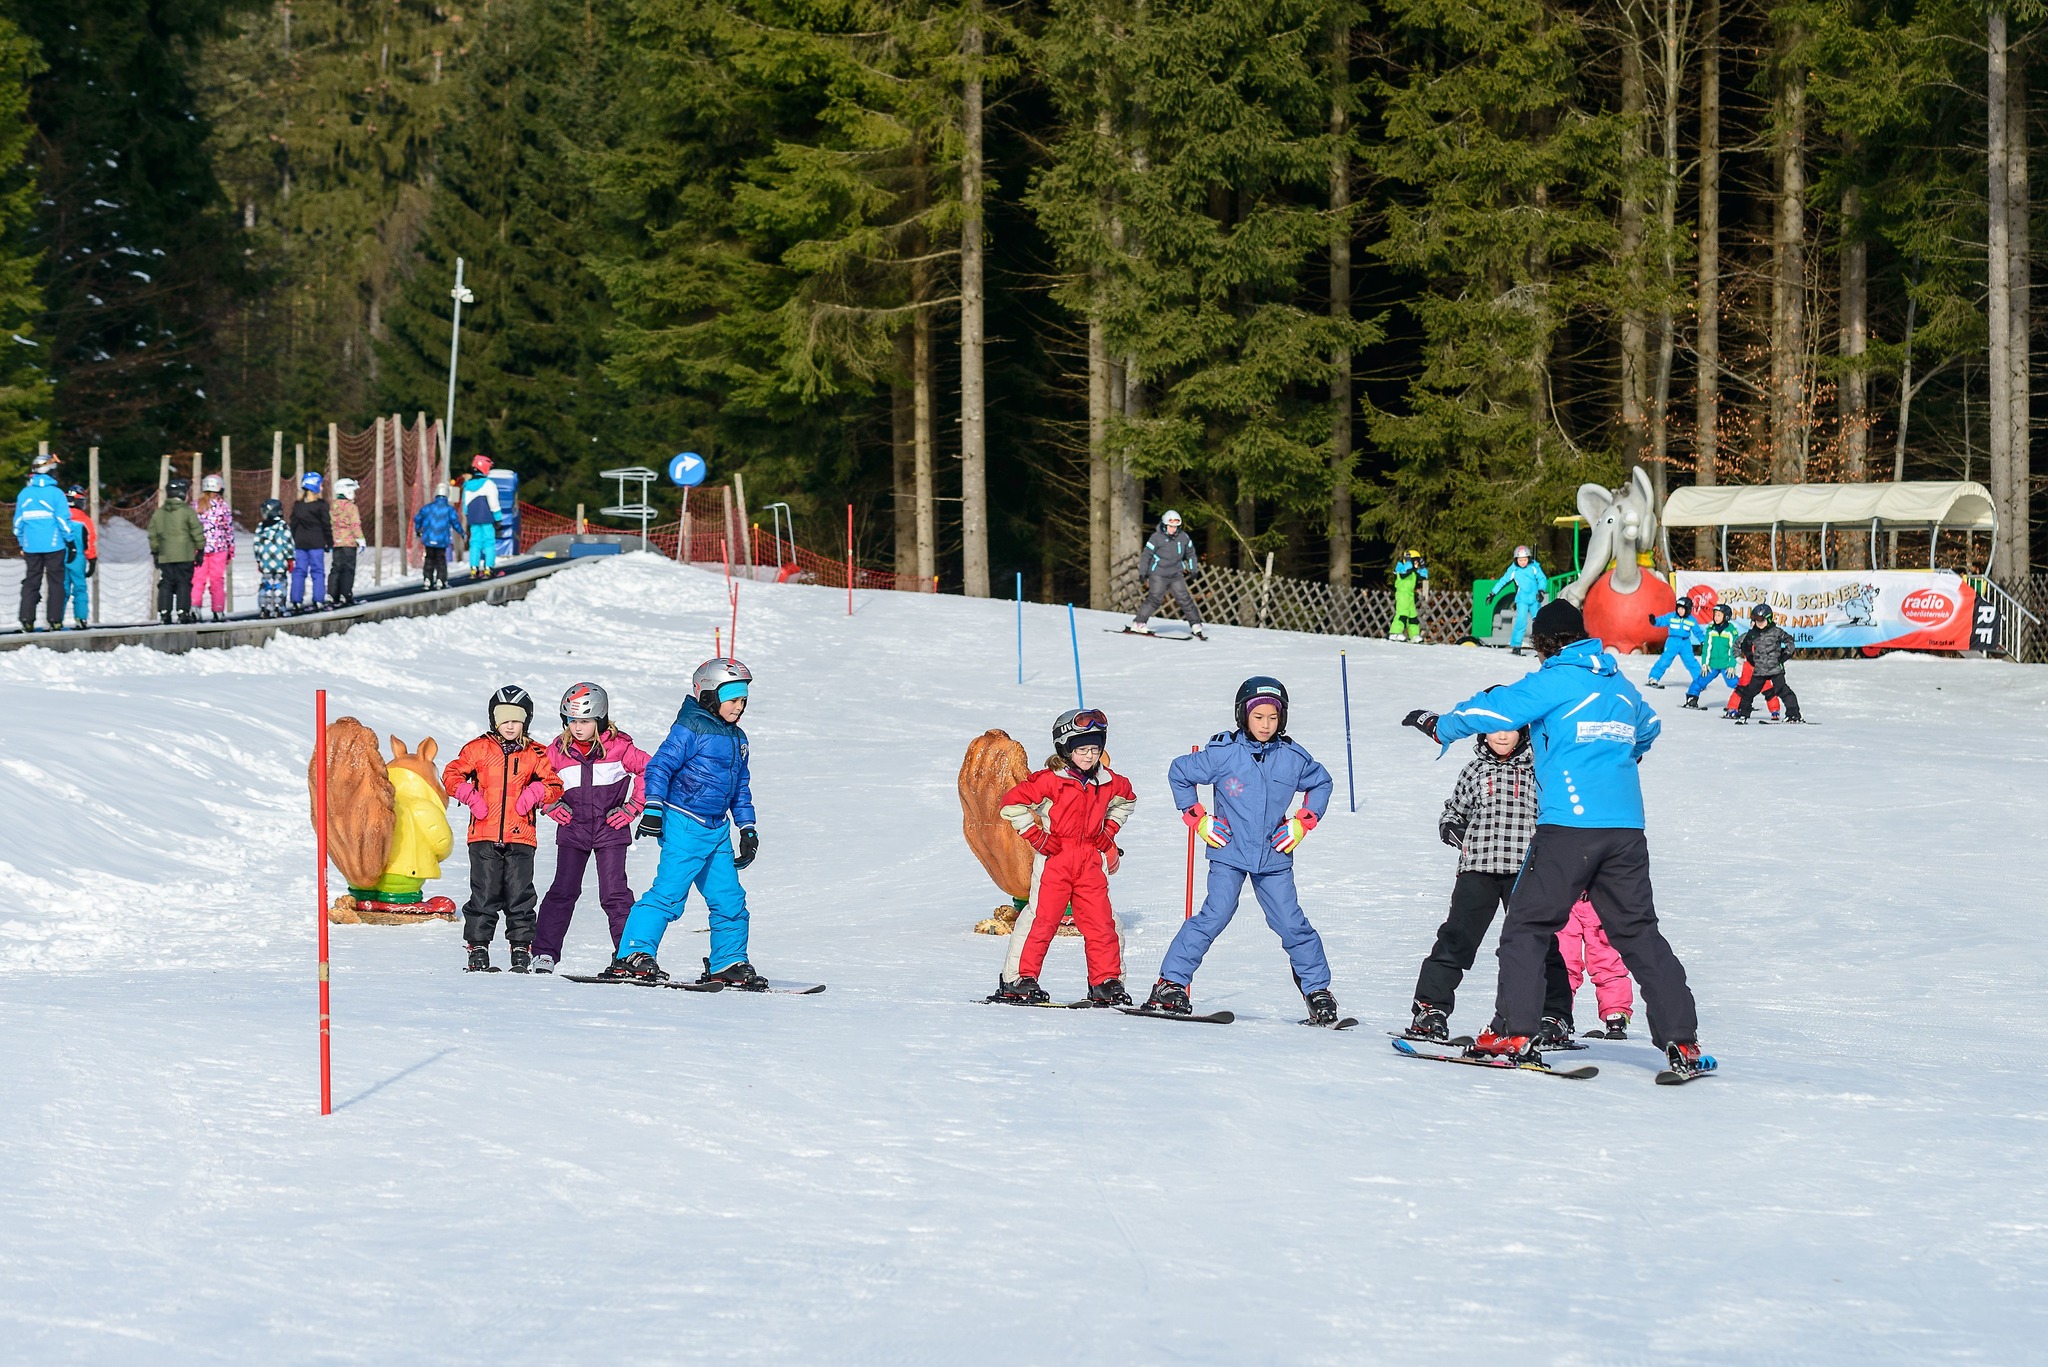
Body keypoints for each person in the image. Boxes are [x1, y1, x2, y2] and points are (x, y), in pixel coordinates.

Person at [1402, 597, 1709, 1078]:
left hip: (1570, 826)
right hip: (1626, 829)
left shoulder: (1555, 679)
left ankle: (1514, 1030)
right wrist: (1621, 755)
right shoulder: (1620, 683)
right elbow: (1649, 726)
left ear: (1544, 643)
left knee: (1526, 925)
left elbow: (1496, 710)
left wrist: (1440, 724)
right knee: (1637, 932)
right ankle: (1682, 1041)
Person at [1145, 677, 1340, 1024]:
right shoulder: (1225, 754)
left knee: (1292, 923)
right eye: (1258, 717)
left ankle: (1317, 991)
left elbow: (1321, 782)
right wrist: (1198, 818)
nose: (1266, 725)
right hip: (1229, 852)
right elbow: (1180, 772)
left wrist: (1303, 821)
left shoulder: (1291, 758)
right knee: (1214, 915)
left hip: (1273, 856)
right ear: (1242, 716)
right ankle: (1170, 984)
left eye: (1273, 718)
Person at [1407, 727, 1579, 1047]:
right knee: (1456, 937)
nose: (1501, 736)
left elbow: (1558, 815)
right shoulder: (1474, 770)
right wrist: (1451, 826)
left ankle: (1554, 1015)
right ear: (1483, 734)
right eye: (1493, 730)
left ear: (1523, 733)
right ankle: (1430, 1009)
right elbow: (1454, 809)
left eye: (1510, 730)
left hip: (1526, 872)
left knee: (1539, 943)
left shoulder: (1540, 769)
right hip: (1478, 869)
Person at [601, 658, 764, 986]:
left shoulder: (738, 738)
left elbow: (739, 787)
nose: (739, 706)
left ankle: (728, 961)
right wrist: (653, 809)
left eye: (743, 699)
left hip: (717, 829)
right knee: (669, 895)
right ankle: (632, 955)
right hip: (685, 822)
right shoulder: (690, 728)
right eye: (732, 698)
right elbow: (659, 767)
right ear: (709, 696)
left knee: (730, 898)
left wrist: (747, 828)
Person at [988, 708, 1138, 1007]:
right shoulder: (1050, 781)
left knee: (1101, 923)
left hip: (1090, 863)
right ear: (1066, 750)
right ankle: (1019, 980)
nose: (1089, 756)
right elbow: (1011, 805)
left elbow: (1127, 801)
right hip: (1056, 859)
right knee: (1042, 920)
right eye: (1082, 750)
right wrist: (1037, 837)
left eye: (1095, 749)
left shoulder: (1109, 782)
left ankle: (1106, 981)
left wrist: (1107, 833)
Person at [442, 685, 564, 973]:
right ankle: (478, 947)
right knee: (484, 894)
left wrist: (535, 793)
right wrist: (470, 797)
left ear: (526, 720)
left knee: (520, 894)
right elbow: (451, 774)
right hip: (483, 835)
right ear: (493, 720)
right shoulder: (478, 749)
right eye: (504, 718)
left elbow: (555, 785)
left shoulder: (537, 753)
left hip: (521, 835)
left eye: (516, 719)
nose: (510, 725)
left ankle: (521, 947)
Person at [531, 683, 650, 975]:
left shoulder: (620, 747)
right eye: (572, 721)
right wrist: (549, 805)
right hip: (573, 829)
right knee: (563, 890)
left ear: (599, 719)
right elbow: (535, 780)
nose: (577, 727)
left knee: (615, 893)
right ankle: (544, 953)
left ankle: (629, 953)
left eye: (584, 721)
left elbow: (651, 770)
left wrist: (633, 807)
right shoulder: (557, 751)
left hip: (611, 829)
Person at [12, 451, 75, 632]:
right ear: (50, 471)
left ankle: (26, 619)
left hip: (31, 547)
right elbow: (63, 521)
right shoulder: (56, 494)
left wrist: (23, 542)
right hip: (55, 545)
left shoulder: (24, 494)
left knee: (32, 581)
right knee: (56, 582)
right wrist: (70, 542)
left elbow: (18, 523)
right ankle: (55, 620)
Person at [1558, 894, 1634, 1038]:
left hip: (1599, 901)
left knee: (1606, 960)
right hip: (1566, 901)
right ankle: (1559, 1014)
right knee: (1563, 961)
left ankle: (1616, 1013)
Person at [1126, 509, 1207, 639]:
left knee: (1184, 598)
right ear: (1164, 525)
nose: (1173, 529)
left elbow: (1191, 554)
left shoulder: (1183, 537)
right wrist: (1143, 572)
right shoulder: (1156, 538)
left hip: (1175, 574)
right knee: (1155, 598)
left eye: (1175, 527)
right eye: (1170, 526)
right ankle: (1138, 623)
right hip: (1158, 573)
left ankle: (1196, 624)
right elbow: (1146, 555)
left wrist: (1193, 569)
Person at [1731, 603, 1803, 722]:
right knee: (1749, 691)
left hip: (1775, 668)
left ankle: (1793, 714)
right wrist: (1750, 657)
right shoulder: (1752, 634)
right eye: (1756, 619)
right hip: (1760, 669)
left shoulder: (1776, 632)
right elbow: (1745, 646)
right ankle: (1743, 713)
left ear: (1769, 619)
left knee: (1782, 690)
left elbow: (1789, 641)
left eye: (1761, 620)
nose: (1759, 623)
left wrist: (1784, 656)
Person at [147, 477, 205, 625]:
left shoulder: (159, 513)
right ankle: (183, 611)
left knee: (166, 582)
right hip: (185, 554)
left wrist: (155, 551)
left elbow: (153, 533)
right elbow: (196, 531)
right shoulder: (187, 512)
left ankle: (164, 612)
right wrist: (200, 548)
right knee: (183, 582)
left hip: (165, 554)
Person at [1683, 603, 1743, 711]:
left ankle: (1744, 701)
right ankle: (1691, 697)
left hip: (1726, 665)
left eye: (1719, 615)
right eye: (1715, 615)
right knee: (1700, 681)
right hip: (1712, 664)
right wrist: (1705, 664)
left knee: (1733, 683)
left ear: (1726, 617)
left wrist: (1732, 665)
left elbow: (1733, 649)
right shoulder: (1711, 630)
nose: (1716, 617)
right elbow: (1707, 648)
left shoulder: (1731, 631)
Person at [288, 472, 332, 612]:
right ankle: (319, 599)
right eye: (320, 484)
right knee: (318, 571)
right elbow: (326, 525)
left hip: (300, 543)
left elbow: (293, 525)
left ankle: (296, 600)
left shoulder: (298, 505)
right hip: (316, 543)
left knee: (299, 571)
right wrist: (329, 542)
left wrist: (293, 540)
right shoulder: (321, 505)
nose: (322, 487)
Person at [194, 474, 235, 623]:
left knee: (198, 580)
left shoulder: (196, 505)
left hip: (199, 549)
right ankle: (218, 610)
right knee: (217, 580)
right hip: (219, 548)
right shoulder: (223, 506)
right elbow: (228, 530)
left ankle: (194, 607)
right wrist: (231, 549)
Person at [1645, 596, 1707, 690]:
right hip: (1672, 642)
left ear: (1688, 610)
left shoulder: (1691, 620)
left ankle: (1699, 681)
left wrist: (1703, 641)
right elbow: (1662, 620)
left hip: (1685, 643)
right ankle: (1653, 678)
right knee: (1665, 659)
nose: (1680, 611)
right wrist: (1654, 621)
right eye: (1678, 608)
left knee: (1691, 661)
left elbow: (1698, 632)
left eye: (1683, 609)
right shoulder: (1672, 616)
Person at [1495, 545, 1546, 654]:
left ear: (1529, 559)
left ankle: (1542, 646)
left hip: (1534, 599)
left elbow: (1542, 578)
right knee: (1521, 621)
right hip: (1522, 599)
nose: (1523, 562)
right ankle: (1516, 645)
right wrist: (1493, 592)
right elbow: (1503, 581)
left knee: (1538, 621)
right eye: (1520, 560)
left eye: (1525, 559)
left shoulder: (1534, 567)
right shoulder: (1514, 570)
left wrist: (1541, 590)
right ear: (1516, 560)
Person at [62, 484, 97, 629]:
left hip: (60, 558)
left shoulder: (60, 517)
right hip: (78, 559)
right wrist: (92, 559)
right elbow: (90, 540)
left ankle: (55, 619)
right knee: (80, 589)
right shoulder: (84, 520)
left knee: (61, 589)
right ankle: (81, 619)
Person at [254, 498, 295, 619]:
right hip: (280, 561)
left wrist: (258, 559)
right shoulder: (282, 526)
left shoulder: (261, 526)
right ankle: (279, 606)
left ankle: (264, 607)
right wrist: (290, 558)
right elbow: (287, 543)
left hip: (266, 561)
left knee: (266, 584)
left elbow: (257, 544)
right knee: (280, 584)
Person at [461, 455, 501, 579]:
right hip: (487, 518)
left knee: (475, 543)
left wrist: (468, 516)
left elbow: (465, 505)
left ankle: (474, 569)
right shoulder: (489, 484)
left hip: (473, 519)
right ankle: (488, 568)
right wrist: (498, 518)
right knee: (489, 543)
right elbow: (493, 502)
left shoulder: (467, 486)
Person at [329, 477, 364, 607]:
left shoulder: (333, 506)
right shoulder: (351, 507)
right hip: (349, 542)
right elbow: (355, 525)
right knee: (348, 569)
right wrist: (360, 539)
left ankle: (333, 594)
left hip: (336, 542)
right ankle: (346, 594)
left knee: (336, 567)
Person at [413, 488, 457, 590]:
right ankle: (441, 580)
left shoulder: (427, 508)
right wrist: (462, 533)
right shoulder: (449, 509)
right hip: (442, 540)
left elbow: (418, 518)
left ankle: (427, 579)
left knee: (429, 558)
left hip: (428, 539)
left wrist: (418, 530)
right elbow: (455, 523)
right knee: (441, 560)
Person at [1390, 549, 1428, 642]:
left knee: (1412, 616)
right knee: (1402, 613)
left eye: (1417, 561)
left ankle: (1414, 635)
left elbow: (1424, 576)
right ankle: (1395, 632)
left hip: (1410, 595)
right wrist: (1408, 562)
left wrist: (1422, 567)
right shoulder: (1401, 567)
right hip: (1402, 593)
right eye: (1414, 561)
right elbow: (1404, 573)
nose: (1416, 563)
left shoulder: (1414, 571)